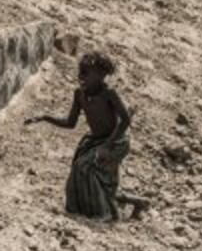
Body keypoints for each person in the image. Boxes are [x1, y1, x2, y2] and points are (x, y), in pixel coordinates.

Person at [27, 51, 145, 221]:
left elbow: (125, 120)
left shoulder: (109, 93)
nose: (81, 76)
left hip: (116, 141)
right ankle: (135, 203)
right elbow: (70, 123)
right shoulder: (79, 94)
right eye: (80, 72)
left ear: (101, 76)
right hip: (95, 142)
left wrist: (107, 145)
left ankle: (103, 214)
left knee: (83, 168)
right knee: (97, 181)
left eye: (86, 73)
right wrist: (46, 118)